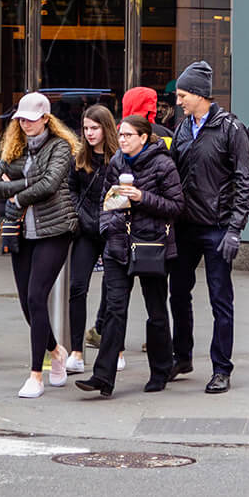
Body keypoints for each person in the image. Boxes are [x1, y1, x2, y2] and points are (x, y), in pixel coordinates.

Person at [77, 115, 183, 398]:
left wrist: (141, 197)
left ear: (143, 138)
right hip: (118, 245)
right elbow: (106, 200)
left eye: (128, 135)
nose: (122, 140)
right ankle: (103, 377)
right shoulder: (117, 163)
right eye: (121, 135)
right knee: (114, 309)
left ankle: (160, 371)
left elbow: (176, 206)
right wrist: (107, 225)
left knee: (156, 311)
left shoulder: (164, 164)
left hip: (151, 246)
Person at [168, 60, 249, 394]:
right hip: (185, 227)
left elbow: (246, 181)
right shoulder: (182, 128)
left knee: (221, 299)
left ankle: (222, 368)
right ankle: (182, 356)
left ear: (200, 94)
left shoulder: (231, 129)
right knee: (178, 293)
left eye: (183, 95)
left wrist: (235, 229)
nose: (179, 101)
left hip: (218, 228)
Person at [0, 92, 81, 398]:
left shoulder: (60, 146)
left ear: (45, 119)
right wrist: (26, 185)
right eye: (21, 119)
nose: (25, 124)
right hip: (20, 230)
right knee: (28, 304)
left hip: (54, 229)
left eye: (31, 118)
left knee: (37, 296)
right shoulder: (14, 146)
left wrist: (15, 190)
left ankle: (35, 374)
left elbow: (51, 184)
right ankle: (56, 351)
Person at [66, 105, 120, 375]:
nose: (89, 133)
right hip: (86, 230)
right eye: (86, 128)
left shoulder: (119, 158)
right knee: (77, 287)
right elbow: (71, 189)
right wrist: (80, 215)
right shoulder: (79, 157)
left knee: (113, 290)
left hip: (112, 230)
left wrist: (108, 220)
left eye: (94, 128)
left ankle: (115, 348)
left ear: (105, 128)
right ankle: (76, 350)